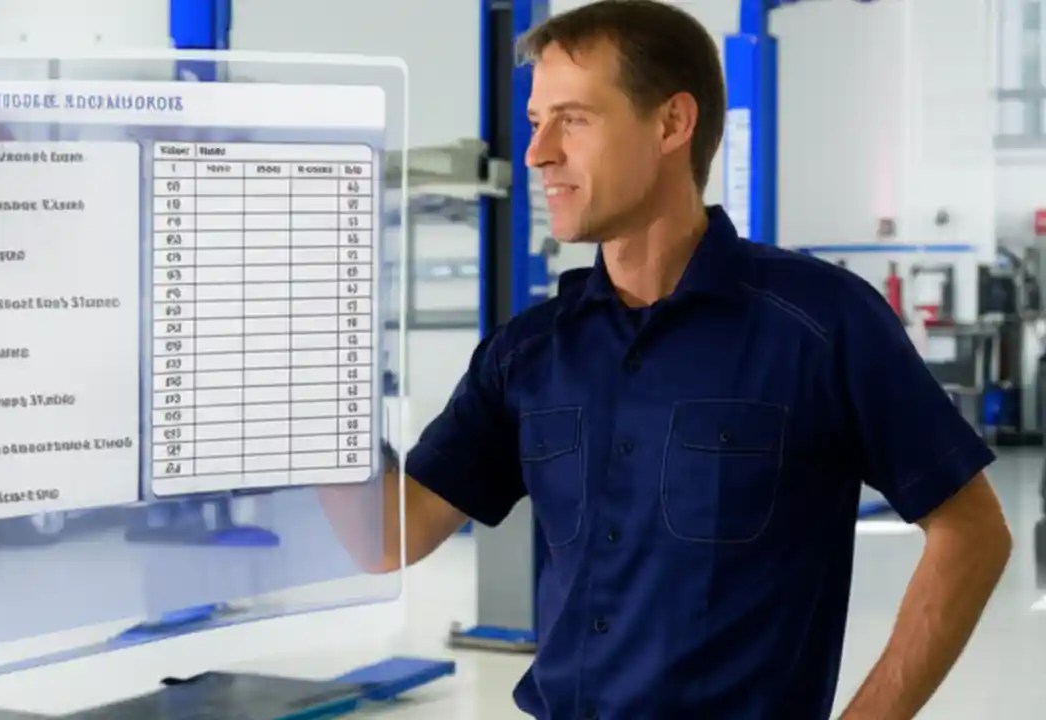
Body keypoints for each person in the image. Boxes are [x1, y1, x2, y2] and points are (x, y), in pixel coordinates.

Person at [353, 1, 1015, 718]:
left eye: (572, 119)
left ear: (671, 123)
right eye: (537, 121)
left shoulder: (821, 325)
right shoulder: (530, 352)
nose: (539, 151)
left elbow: (972, 534)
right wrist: (296, 371)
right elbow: (390, 537)